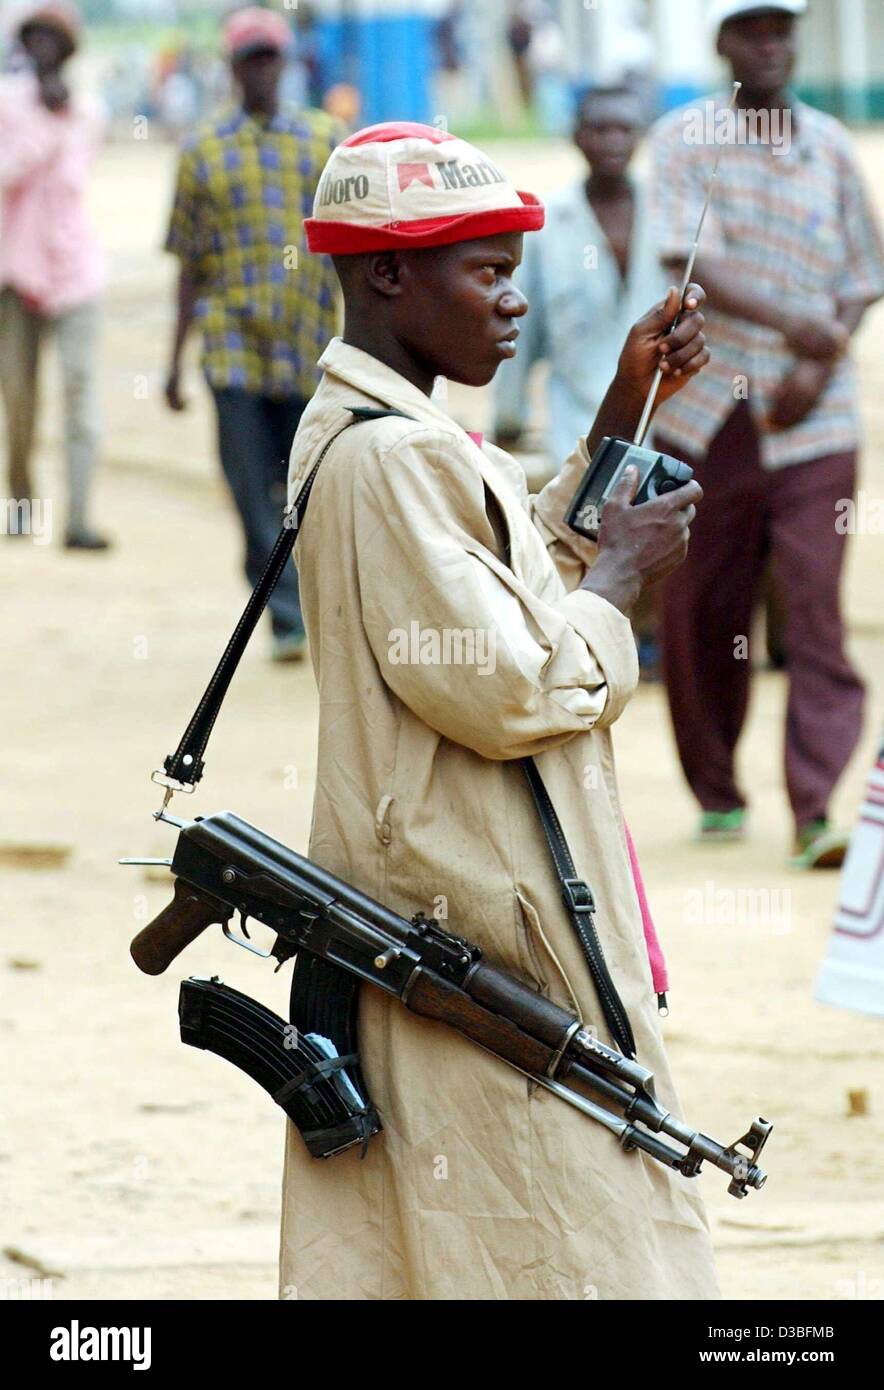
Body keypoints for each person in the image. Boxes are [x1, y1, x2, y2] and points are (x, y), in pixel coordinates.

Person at [280, 121, 717, 1300]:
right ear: (386, 275)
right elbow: (513, 686)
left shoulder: (410, 438)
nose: (512, 303)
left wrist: (627, 404)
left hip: (489, 924)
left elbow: (519, 570)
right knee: (554, 1245)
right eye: (486, 273)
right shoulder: (382, 461)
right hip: (478, 931)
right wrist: (620, 577)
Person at [648, 0, 884, 866]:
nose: (773, 45)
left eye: (784, 29)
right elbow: (687, 257)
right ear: (722, 45)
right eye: (753, 30)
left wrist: (823, 357)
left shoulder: (826, 144)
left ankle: (817, 809)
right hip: (710, 415)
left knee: (816, 609)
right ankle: (715, 784)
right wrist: (798, 324)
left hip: (815, 418)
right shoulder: (683, 140)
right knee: (706, 608)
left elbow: (865, 272)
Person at [164, 7, 343, 662]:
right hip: (232, 349)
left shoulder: (328, 142)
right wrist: (173, 364)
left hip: (309, 348)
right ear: (233, 67)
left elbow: (353, 249)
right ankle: (286, 613)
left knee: (307, 488)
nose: (261, 68)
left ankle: (320, 607)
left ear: (286, 61)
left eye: (270, 56)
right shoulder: (202, 152)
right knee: (249, 491)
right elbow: (189, 260)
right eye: (249, 58)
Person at [494, 85, 667, 469]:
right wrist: (508, 417)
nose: (612, 141)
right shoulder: (549, 221)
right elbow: (522, 325)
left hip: (664, 427)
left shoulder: (668, 213)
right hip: (574, 432)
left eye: (624, 129)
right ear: (577, 137)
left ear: (641, 136)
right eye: (599, 129)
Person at [0, 1, 108, 550]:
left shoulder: (88, 112)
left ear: (67, 50)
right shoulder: (7, 105)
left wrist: (62, 116)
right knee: (18, 397)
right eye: (35, 39)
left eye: (53, 41)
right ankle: (19, 505)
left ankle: (79, 519)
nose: (44, 50)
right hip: (16, 274)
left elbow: (73, 183)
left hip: (75, 272)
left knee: (81, 392)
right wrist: (42, 125)